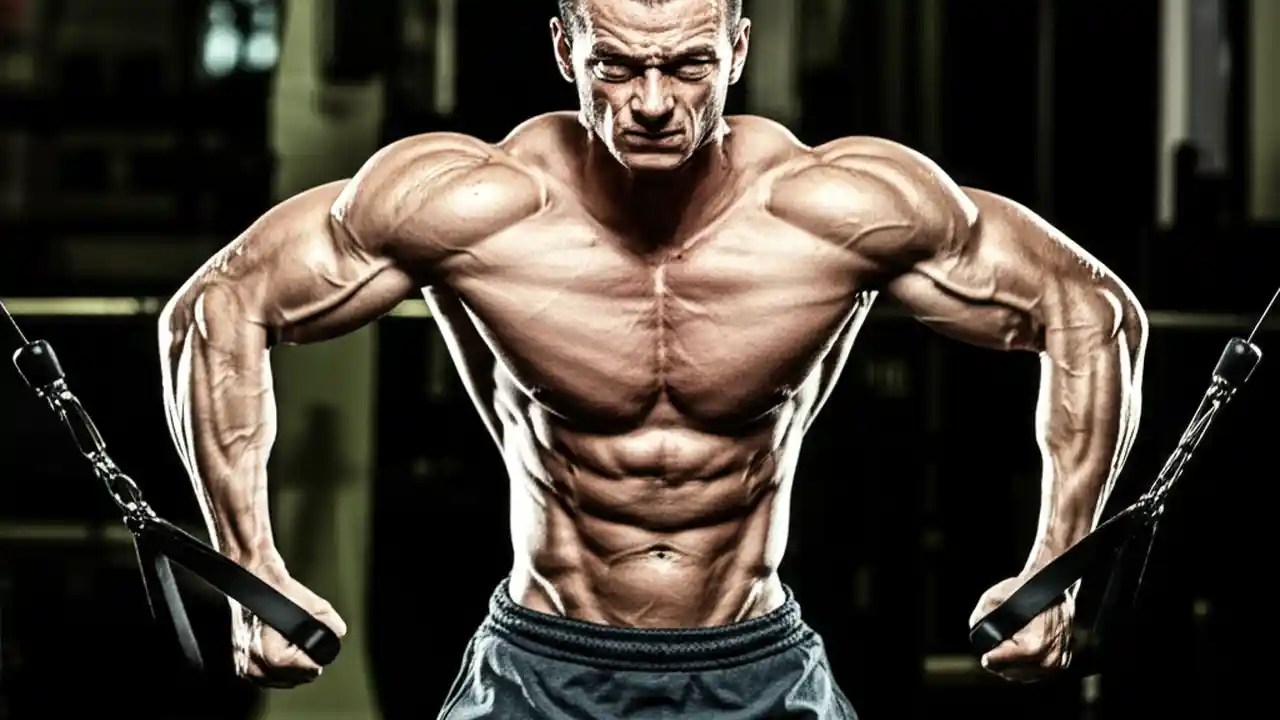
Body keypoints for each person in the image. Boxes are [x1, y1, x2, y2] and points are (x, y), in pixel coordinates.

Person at [156, 0, 1148, 716]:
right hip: (539, 669)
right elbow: (216, 310)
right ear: (564, 49)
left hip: (759, 666)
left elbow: (1089, 311)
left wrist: (1058, 564)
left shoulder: (833, 209)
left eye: (687, 65)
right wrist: (251, 565)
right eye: (617, 67)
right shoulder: (472, 205)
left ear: (737, 49)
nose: (652, 102)